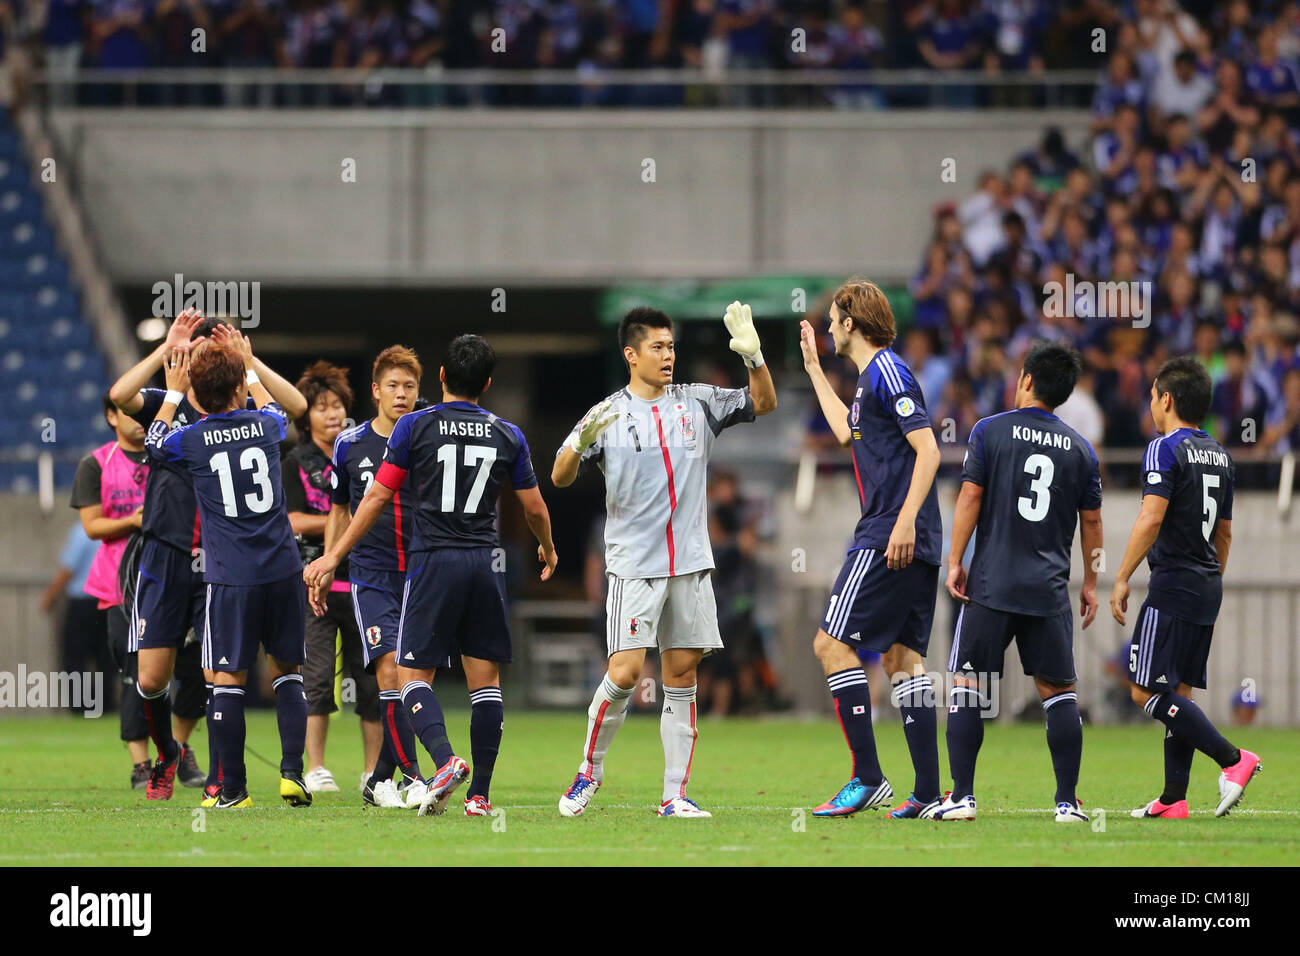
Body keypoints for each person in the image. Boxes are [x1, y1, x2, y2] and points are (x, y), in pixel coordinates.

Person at [305, 334, 557, 818]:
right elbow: (535, 508)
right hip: (485, 562)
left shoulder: (414, 427)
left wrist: (333, 554)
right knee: (485, 683)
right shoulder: (508, 433)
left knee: (409, 673)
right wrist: (547, 548)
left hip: (431, 561)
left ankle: (441, 763)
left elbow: (375, 497)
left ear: (440, 377)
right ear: (487, 383)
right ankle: (479, 796)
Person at [553, 302, 777, 818]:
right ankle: (589, 771)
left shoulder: (697, 401)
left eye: (671, 345)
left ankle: (674, 794)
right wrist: (580, 443)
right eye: (657, 347)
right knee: (628, 672)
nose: (668, 355)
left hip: (692, 565)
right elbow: (561, 475)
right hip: (635, 566)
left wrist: (755, 356)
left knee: (682, 677)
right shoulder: (606, 412)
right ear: (632, 355)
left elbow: (763, 403)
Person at [110, 309, 307, 804]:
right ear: (187, 357)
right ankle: (169, 756)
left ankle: (221, 778)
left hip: (220, 565)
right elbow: (118, 396)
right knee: (152, 678)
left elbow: (298, 404)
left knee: (217, 674)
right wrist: (164, 353)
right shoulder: (167, 402)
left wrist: (250, 363)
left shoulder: (205, 419)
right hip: (169, 553)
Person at [936, 341, 1104, 823]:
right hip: (1048, 590)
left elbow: (969, 498)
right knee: (1059, 695)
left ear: (1026, 379)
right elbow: (1092, 524)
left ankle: (963, 797)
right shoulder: (1081, 448)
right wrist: (1091, 582)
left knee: (967, 686)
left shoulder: (990, 431)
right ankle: (1067, 803)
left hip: (991, 583)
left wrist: (954, 560)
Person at [798, 278, 943, 819]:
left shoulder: (888, 372)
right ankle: (928, 792)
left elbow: (928, 450)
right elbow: (845, 434)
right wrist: (814, 368)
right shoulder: (868, 382)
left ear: (851, 322)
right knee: (903, 661)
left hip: (889, 532)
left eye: (834, 319)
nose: (831, 327)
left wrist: (903, 522)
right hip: (914, 537)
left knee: (830, 645)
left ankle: (867, 777)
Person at [1109, 357, 1260, 820]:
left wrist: (1120, 577)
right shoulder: (1221, 453)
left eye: (1153, 395)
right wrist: (1213, 579)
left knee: (1143, 690)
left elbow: (1151, 517)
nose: (1151, 404)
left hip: (1173, 583)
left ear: (1167, 399)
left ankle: (1234, 759)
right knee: (1179, 691)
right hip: (1206, 582)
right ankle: (1174, 798)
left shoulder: (1164, 448)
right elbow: (1226, 535)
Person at [325, 346, 429, 810]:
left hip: (423, 571)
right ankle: (416, 777)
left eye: (409, 386)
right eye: (393, 386)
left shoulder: (427, 436)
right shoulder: (349, 444)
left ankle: (380, 777)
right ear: (375, 391)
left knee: (409, 678)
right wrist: (329, 564)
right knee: (389, 669)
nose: (402, 394)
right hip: (371, 573)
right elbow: (339, 510)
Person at [284, 360, 380, 796]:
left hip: (366, 580)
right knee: (317, 678)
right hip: (314, 582)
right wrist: (337, 523)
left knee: (373, 680)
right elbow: (289, 519)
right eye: (322, 407)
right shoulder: (294, 461)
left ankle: (373, 771)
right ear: (306, 416)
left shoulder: (362, 449)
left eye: (338, 405)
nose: (333, 414)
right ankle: (316, 768)